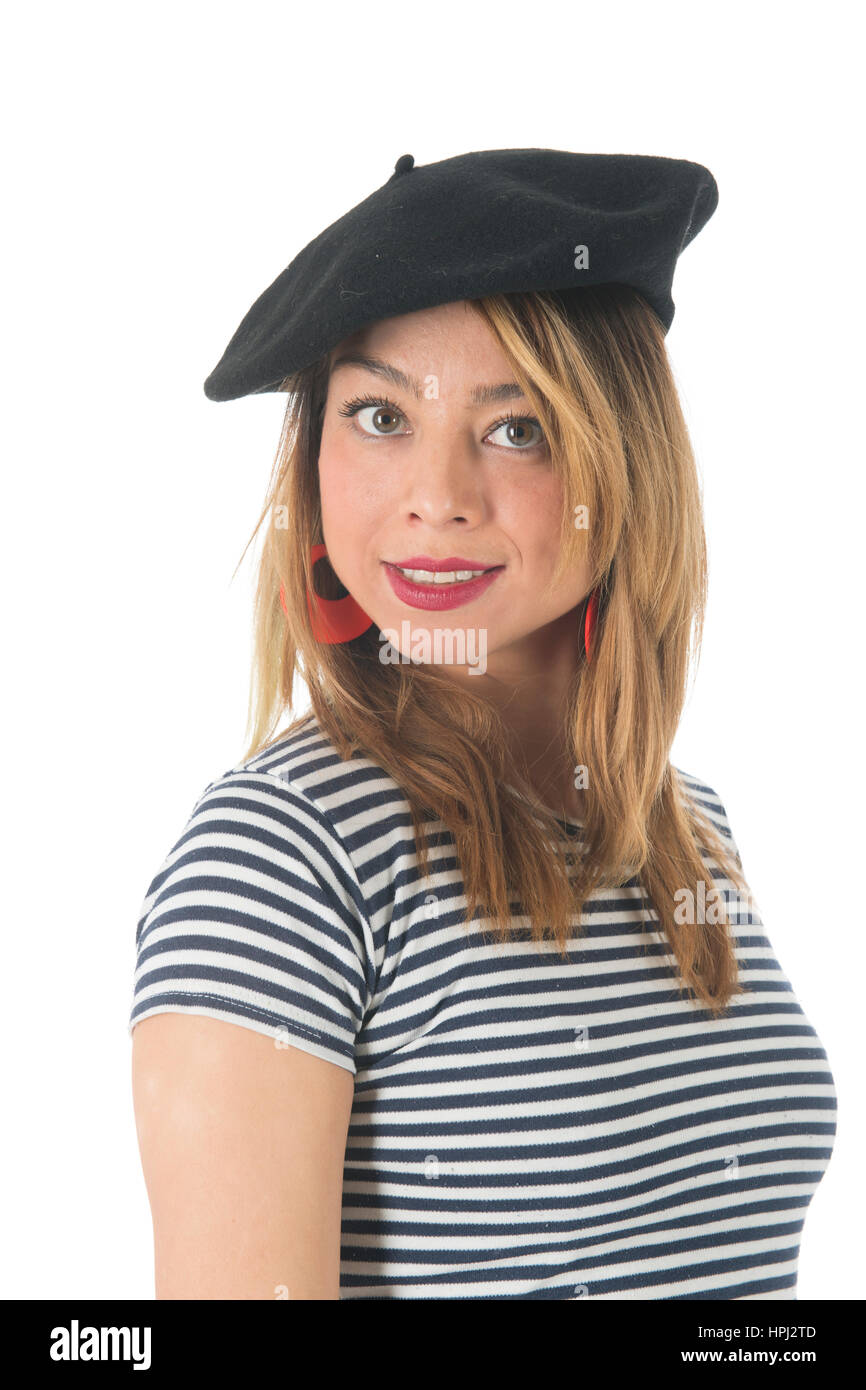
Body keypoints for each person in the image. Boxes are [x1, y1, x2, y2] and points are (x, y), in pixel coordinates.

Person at [129, 150, 836, 1300]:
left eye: (516, 428)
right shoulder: (280, 857)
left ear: (625, 464)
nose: (435, 495)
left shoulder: (684, 828)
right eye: (377, 415)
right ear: (312, 467)